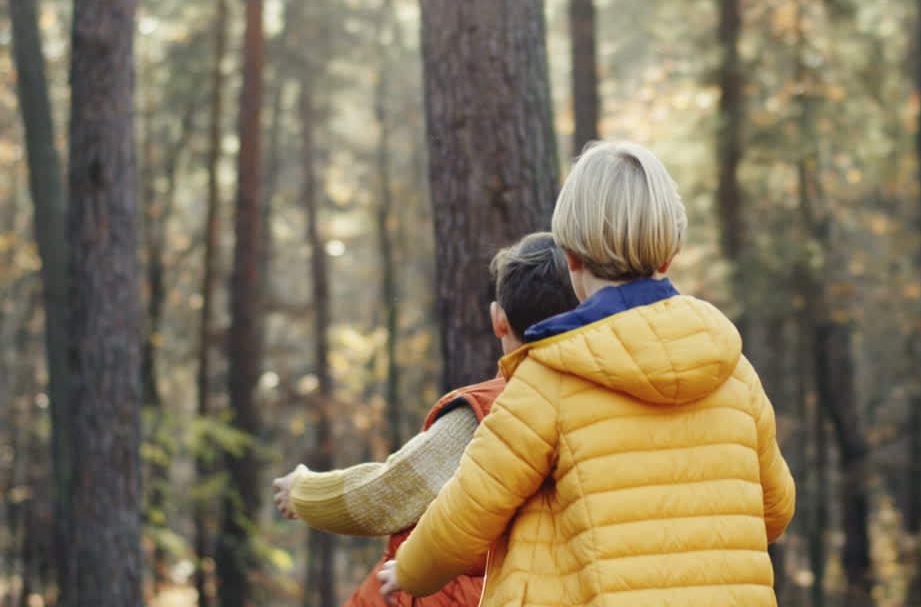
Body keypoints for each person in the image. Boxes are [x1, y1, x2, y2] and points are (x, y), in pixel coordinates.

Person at [380, 141, 796, 607]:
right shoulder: (733, 370)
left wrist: (413, 570)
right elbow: (774, 510)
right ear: (669, 254)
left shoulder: (549, 378)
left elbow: (469, 509)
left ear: (571, 257)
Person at [271, 232, 578, 607]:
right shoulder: (603, 403)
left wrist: (303, 491)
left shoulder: (487, 414)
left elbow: (387, 494)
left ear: (498, 319)